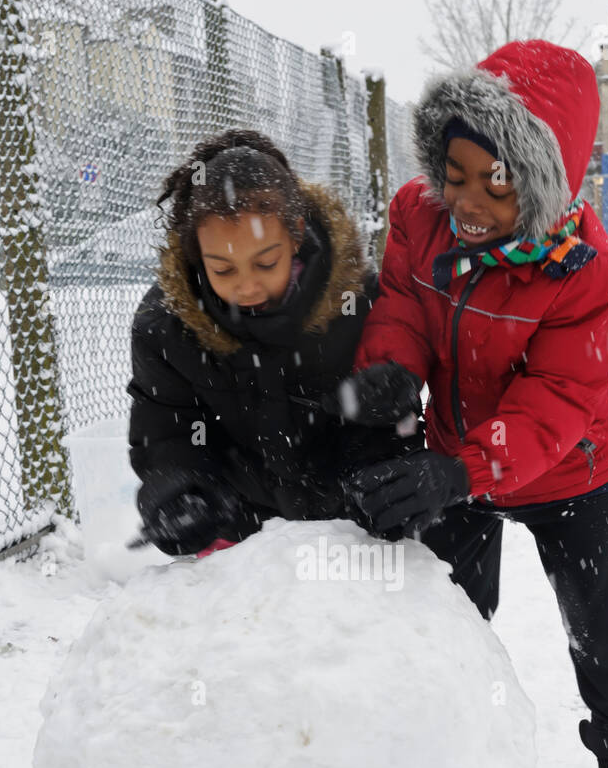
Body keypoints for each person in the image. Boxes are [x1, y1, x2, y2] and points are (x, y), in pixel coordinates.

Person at [338, 39, 608, 768]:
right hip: (454, 462)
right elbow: (406, 311)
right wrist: (389, 371)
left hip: (568, 472)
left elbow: (557, 399)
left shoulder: (583, 271)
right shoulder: (420, 218)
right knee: (449, 621)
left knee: (596, 628)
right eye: (454, 175)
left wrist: (459, 469)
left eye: (496, 183)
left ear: (542, 183)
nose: (467, 202)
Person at [126, 128, 420, 560]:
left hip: (350, 534)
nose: (246, 285)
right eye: (222, 269)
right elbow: (169, 436)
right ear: (195, 256)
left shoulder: (356, 303)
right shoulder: (165, 328)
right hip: (238, 536)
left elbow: (391, 426)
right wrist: (180, 495)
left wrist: (382, 484)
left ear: (297, 233)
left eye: (265, 262)